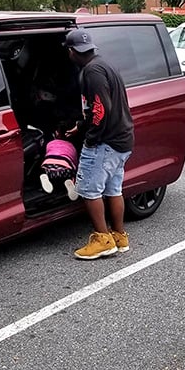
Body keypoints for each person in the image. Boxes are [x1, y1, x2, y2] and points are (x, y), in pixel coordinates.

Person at [63, 28, 134, 260]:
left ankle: (102, 239)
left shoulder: (91, 71)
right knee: (114, 189)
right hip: (122, 139)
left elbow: (101, 109)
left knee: (89, 190)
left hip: (105, 142)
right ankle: (119, 236)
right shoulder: (105, 65)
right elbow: (100, 108)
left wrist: (91, 138)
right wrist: (81, 126)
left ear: (72, 51)